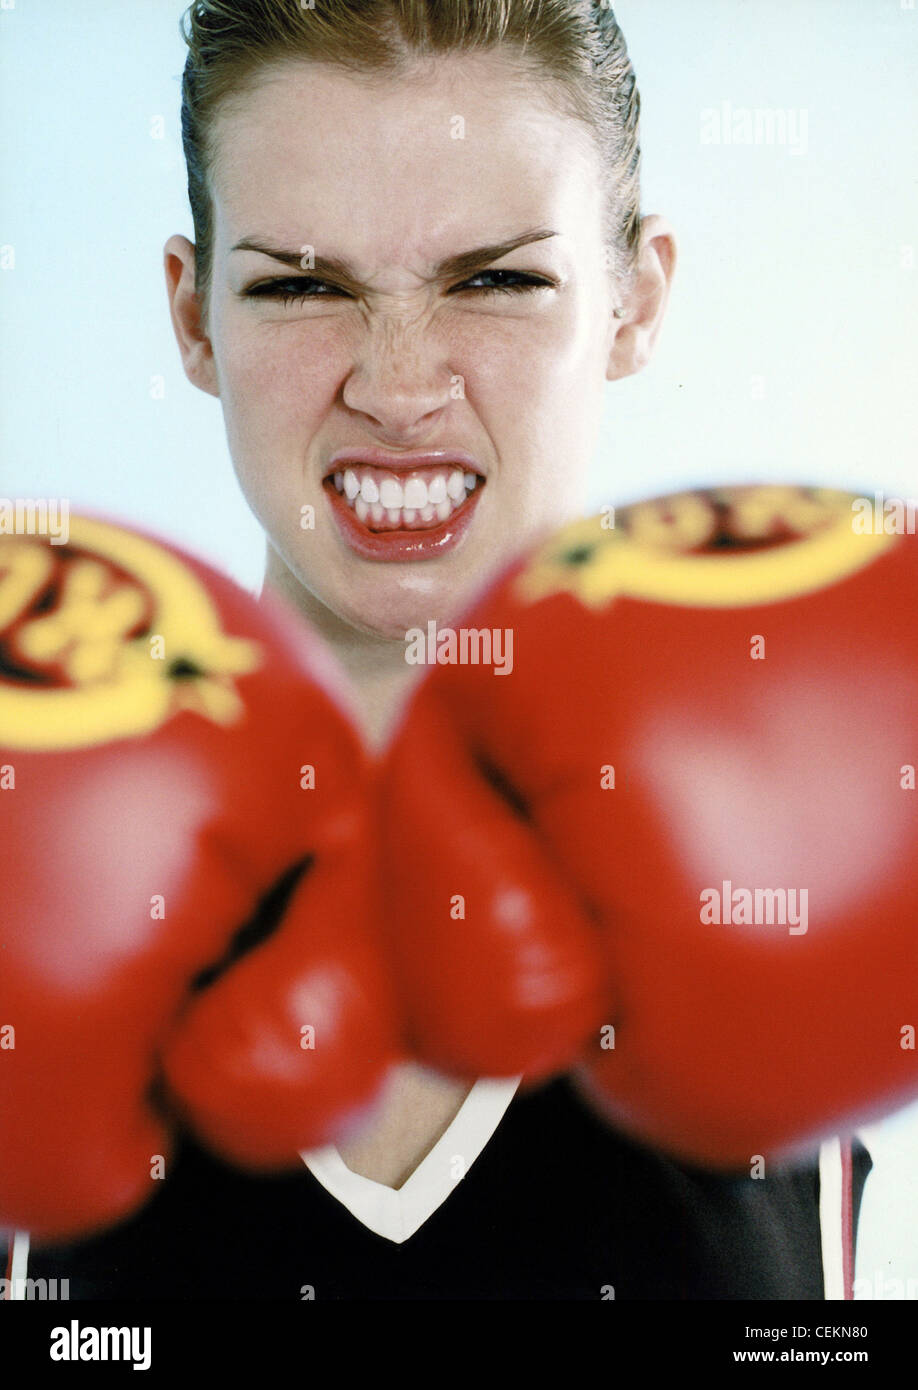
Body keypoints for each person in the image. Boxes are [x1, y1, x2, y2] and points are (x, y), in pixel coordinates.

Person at [11, 0, 870, 1300]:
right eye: (300, 284)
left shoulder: (838, 834)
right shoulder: (34, 832)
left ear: (636, 301)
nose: (398, 388)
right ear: (192, 320)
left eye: (497, 279)